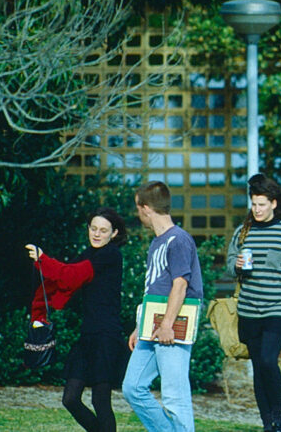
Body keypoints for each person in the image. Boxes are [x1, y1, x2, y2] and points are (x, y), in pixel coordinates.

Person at [25, 207, 130, 432]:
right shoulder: (89, 253)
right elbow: (62, 280)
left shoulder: (110, 255)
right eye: (93, 228)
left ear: (114, 234)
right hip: (88, 336)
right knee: (70, 399)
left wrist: (44, 259)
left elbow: (70, 276)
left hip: (106, 336)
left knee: (100, 402)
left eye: (103, 230)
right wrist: (39, 315)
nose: (97, 234)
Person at [124, 181, 205, 432]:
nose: (138, 214)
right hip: (152, 326)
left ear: (146, 208)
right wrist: (141, 327)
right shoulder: (157, 242)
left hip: (171, 326)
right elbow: (154, 289)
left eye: (138, 208)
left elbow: (180, 285)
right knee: (132, 387)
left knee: (174, 397)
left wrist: (167, 324)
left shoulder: (178, 240)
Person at [225, 175, 281, 432]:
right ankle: (268, 423)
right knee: (258, 365)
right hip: (249, 308)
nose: (257, 210)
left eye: (262, 205)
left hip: (279, 306)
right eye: (254, 204)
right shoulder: (243, 231)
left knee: (268, 360)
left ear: (274, 203)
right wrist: (236, 265)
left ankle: (278, 417)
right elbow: (229, 264)